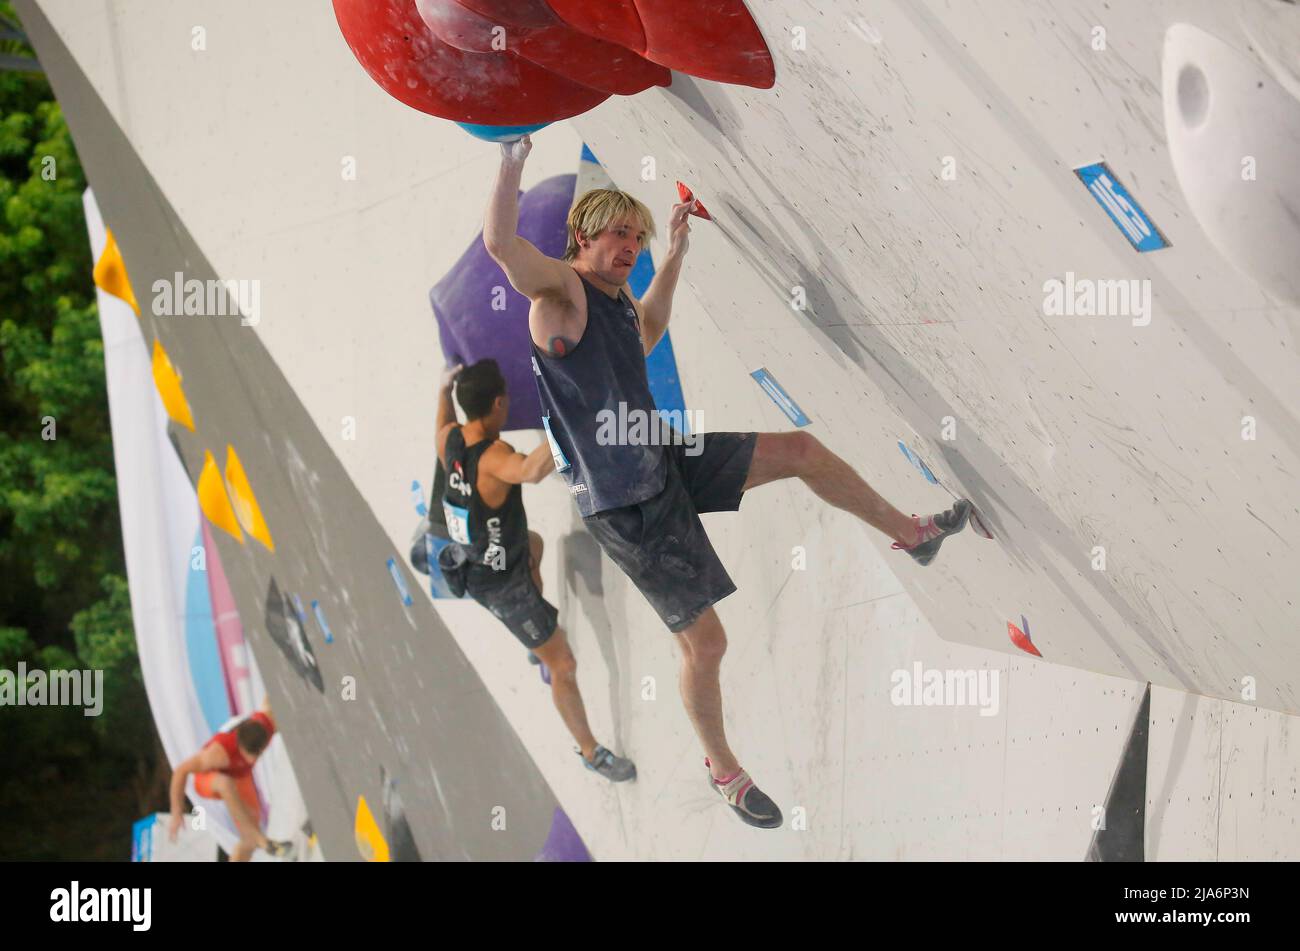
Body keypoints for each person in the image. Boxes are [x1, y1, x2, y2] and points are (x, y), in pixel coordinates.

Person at [483, 135, 973, 829]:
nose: (628, 245)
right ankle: (723, 767)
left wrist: (675, 252)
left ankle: (912, 535)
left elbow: (649, 325)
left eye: (635, 236)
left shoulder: (619, 301)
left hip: (660, 455)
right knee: (706, 644)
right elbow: (502, 245)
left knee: (801, 450)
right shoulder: (561, 295)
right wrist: (511, 161)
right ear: (580, 238)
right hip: (626, 507)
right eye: (615, 233)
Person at [435, 359, 635, 782]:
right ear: (498, 403)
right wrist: (568, 415)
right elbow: (531, 471)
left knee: (536, 543)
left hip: (483, 556)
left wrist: (443, 387)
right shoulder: (493, 457)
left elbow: (443, 413)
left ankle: (536, 631)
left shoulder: (448, 440)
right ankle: (590, 751)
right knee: (562, 664)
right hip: (501, 586)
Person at [167, 697, 293, 860]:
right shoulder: (218, 754)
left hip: (239, 777)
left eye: (256, 755)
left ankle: (256, 840)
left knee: (248, 841)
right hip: (207, 780)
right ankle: (262, 840)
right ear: (239, 745)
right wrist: (176, 810)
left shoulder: (267, 726)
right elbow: (180, 771)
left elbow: (270, 701)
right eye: (248, 755)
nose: (252, 761)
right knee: (224, 783)